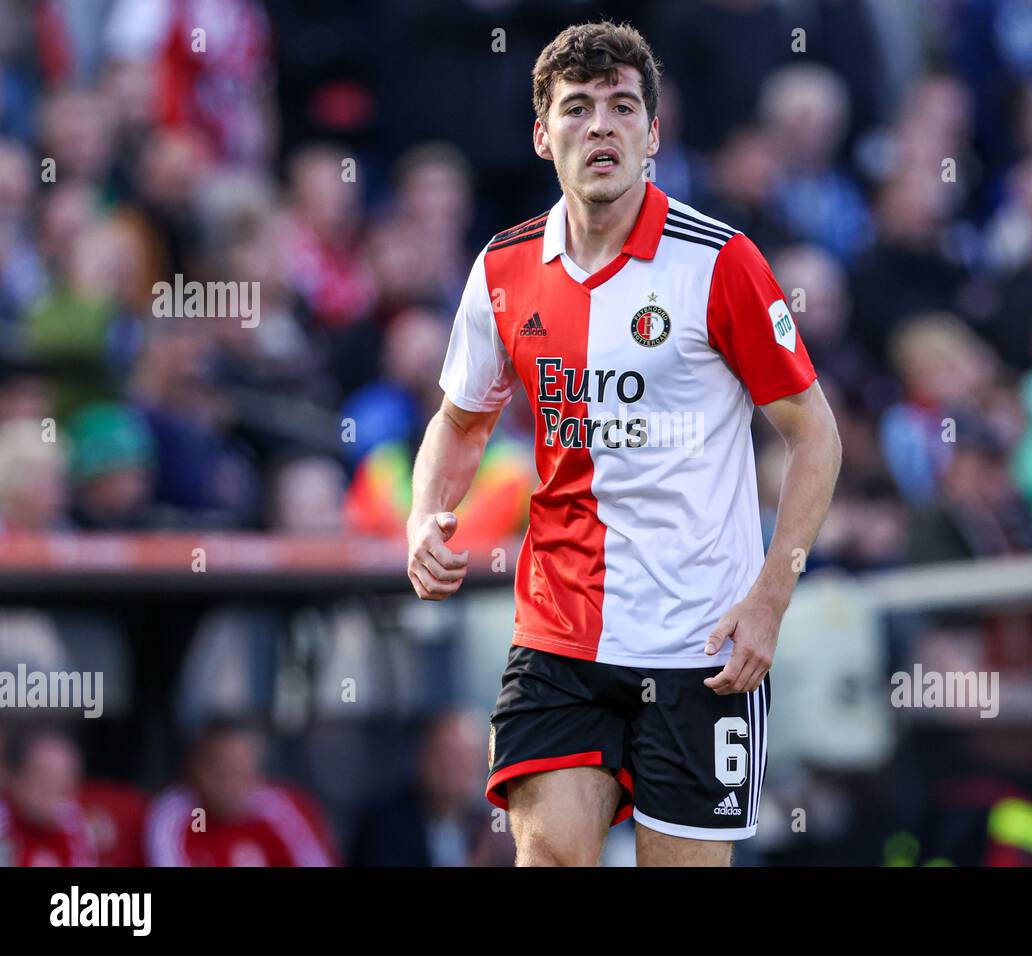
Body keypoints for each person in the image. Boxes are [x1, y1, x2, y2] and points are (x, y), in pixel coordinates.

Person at [406, 22, 841, 867]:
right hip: (560, 635)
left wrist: (770, 599)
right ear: (543, 134)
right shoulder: (503, 270)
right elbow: (460, 420)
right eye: (577, 108)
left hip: (700, 648)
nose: (600, 126)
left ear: (653, 132)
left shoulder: (722, 264)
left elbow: (815, 436)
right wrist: (426, 513)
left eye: (621, 107)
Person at [143, 717, 335, 867]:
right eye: (220, 773)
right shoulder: (174, 815)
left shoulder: (283, 810)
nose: (230, 785)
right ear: (196, 770)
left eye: (240, 773)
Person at [350, 709, 514, 867]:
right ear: (421, 756)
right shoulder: (383, 825)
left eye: (466, 758)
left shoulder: (486, 825)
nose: (453, 768)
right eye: (446, 755)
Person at [0, 727, 96, 866]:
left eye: (66, 777)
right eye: (44, 776)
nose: (56, 788)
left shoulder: (76, 825)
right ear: (16, 778)